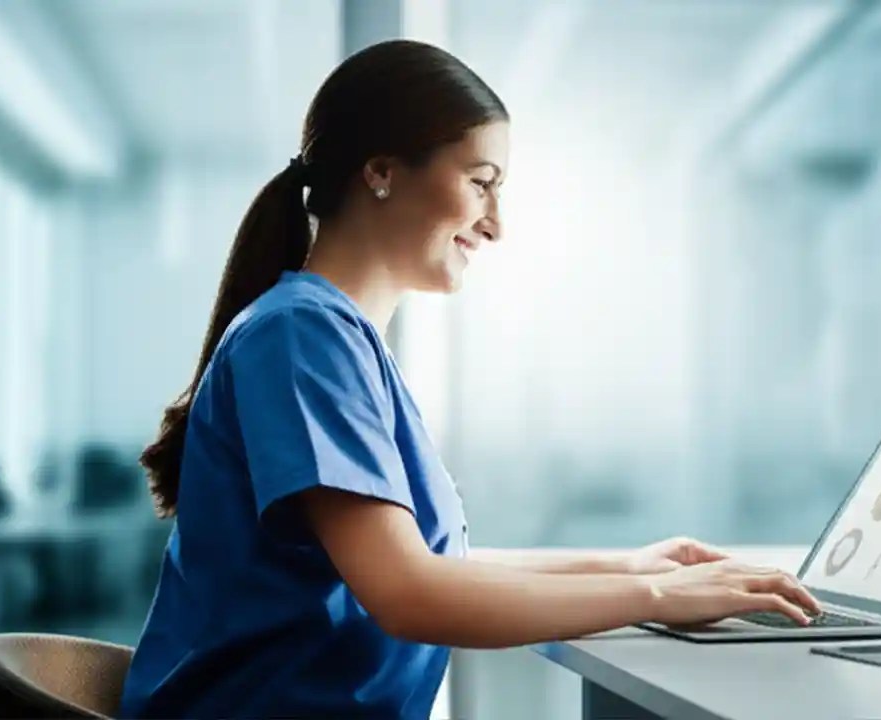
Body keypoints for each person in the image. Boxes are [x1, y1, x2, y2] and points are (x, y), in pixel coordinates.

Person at [119, 39, 820, 719]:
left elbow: (433, 565)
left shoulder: (330, 337)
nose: (496, 225)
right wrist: (659, 600)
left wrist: (634, 569)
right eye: (481, 183)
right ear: (382, 171)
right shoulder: (302, 336)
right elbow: (410, 593)